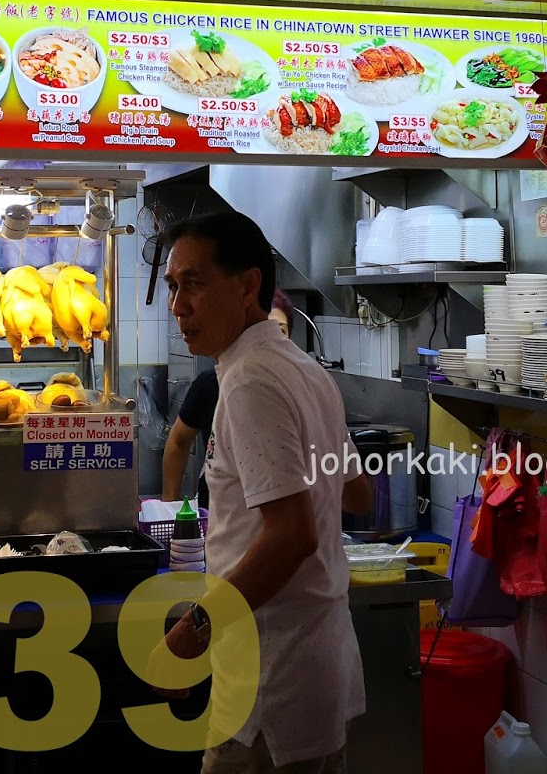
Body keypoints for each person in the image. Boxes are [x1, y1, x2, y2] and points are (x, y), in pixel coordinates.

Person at [155, 212, 370, 773]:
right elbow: (359, 493)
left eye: (195, 284)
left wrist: (192, 631)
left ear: (248, 285)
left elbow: (291, 536)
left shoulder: (250, 381)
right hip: (313, 662)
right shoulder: (303, 367)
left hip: (269, 680)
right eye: (174, 287)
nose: (179, 306)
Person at [162, 289, 294, 511]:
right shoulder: (213, 384)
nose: (269, 340)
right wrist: (168, 507)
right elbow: (178, 441)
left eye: (280, 330)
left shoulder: (298, 386)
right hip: (217, 513)